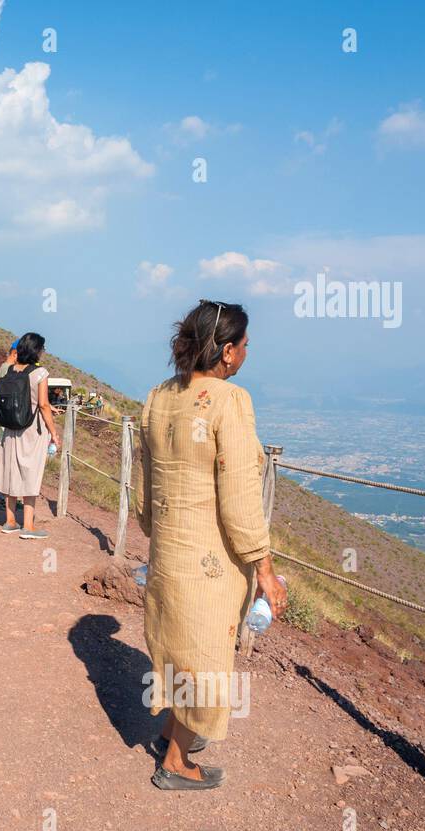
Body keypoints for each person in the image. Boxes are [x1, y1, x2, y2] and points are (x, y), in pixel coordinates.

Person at [133, 299, 287, 792]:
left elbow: (146, 483)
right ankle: (175, 763)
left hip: (170, 552)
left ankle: (169, 733)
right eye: (243, 344)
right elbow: (240, 495)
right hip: (212, 560)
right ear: (226, 352)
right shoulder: (229, 401)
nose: (246, 351)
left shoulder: (158, 397)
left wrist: (155, 528)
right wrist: (263, 567)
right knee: (205, 657)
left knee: (179, 647)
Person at [0, 332, 59, 539]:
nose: (44, 352)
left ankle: (10, 521)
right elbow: (44, 405)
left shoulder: (10, 370)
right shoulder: (40, 373)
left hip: (11, 429)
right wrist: (54, 433)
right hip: (31, 430)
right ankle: (28, 526)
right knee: (31, 473)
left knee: (11, 471)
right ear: (36, 350)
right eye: (42, 348)